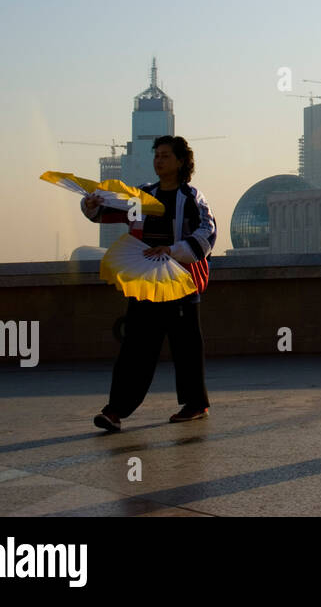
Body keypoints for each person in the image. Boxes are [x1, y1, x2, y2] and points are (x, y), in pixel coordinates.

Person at [82, 136, 216, 431]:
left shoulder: (191, 197)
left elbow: (208, 231)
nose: (159, 160)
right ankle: (115, 411)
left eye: (166, 156)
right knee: (135, 346)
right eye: (157, 155)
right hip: (146, 280)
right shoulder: (142, 195)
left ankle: (195, 404)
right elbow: (109, 210)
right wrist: (91, 204)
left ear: (181, 161)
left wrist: (172, 250)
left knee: (186, 347)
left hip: (179, 281)